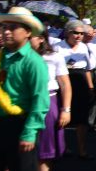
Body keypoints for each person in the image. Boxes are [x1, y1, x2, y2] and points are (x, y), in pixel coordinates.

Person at [0, 7, 50, 171]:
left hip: (19, 127)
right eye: (5, 27)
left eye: (13, 28)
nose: (6, 32)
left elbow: (40, 101)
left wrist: (29, 133)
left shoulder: (34, 62)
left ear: (28, 32)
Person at [54, 20, 96, 159]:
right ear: (67, 32)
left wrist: (90, 86)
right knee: (62, 116)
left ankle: (82, 150)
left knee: (82, 119)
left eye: (81, 33)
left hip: (81, 82)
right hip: (64, 80)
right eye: (75, 33)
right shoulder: (58, 47)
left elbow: (87, 69)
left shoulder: (84, 47)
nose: (79, 36)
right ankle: (62, 147)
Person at [31, 29, 72, 171]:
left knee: (44, 153)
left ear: (42, 38)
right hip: (24, 104)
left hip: (48, 102)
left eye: (32, 36)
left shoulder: (53, 57)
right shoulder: (18, 57)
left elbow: (65, 85)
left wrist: (66, 110)